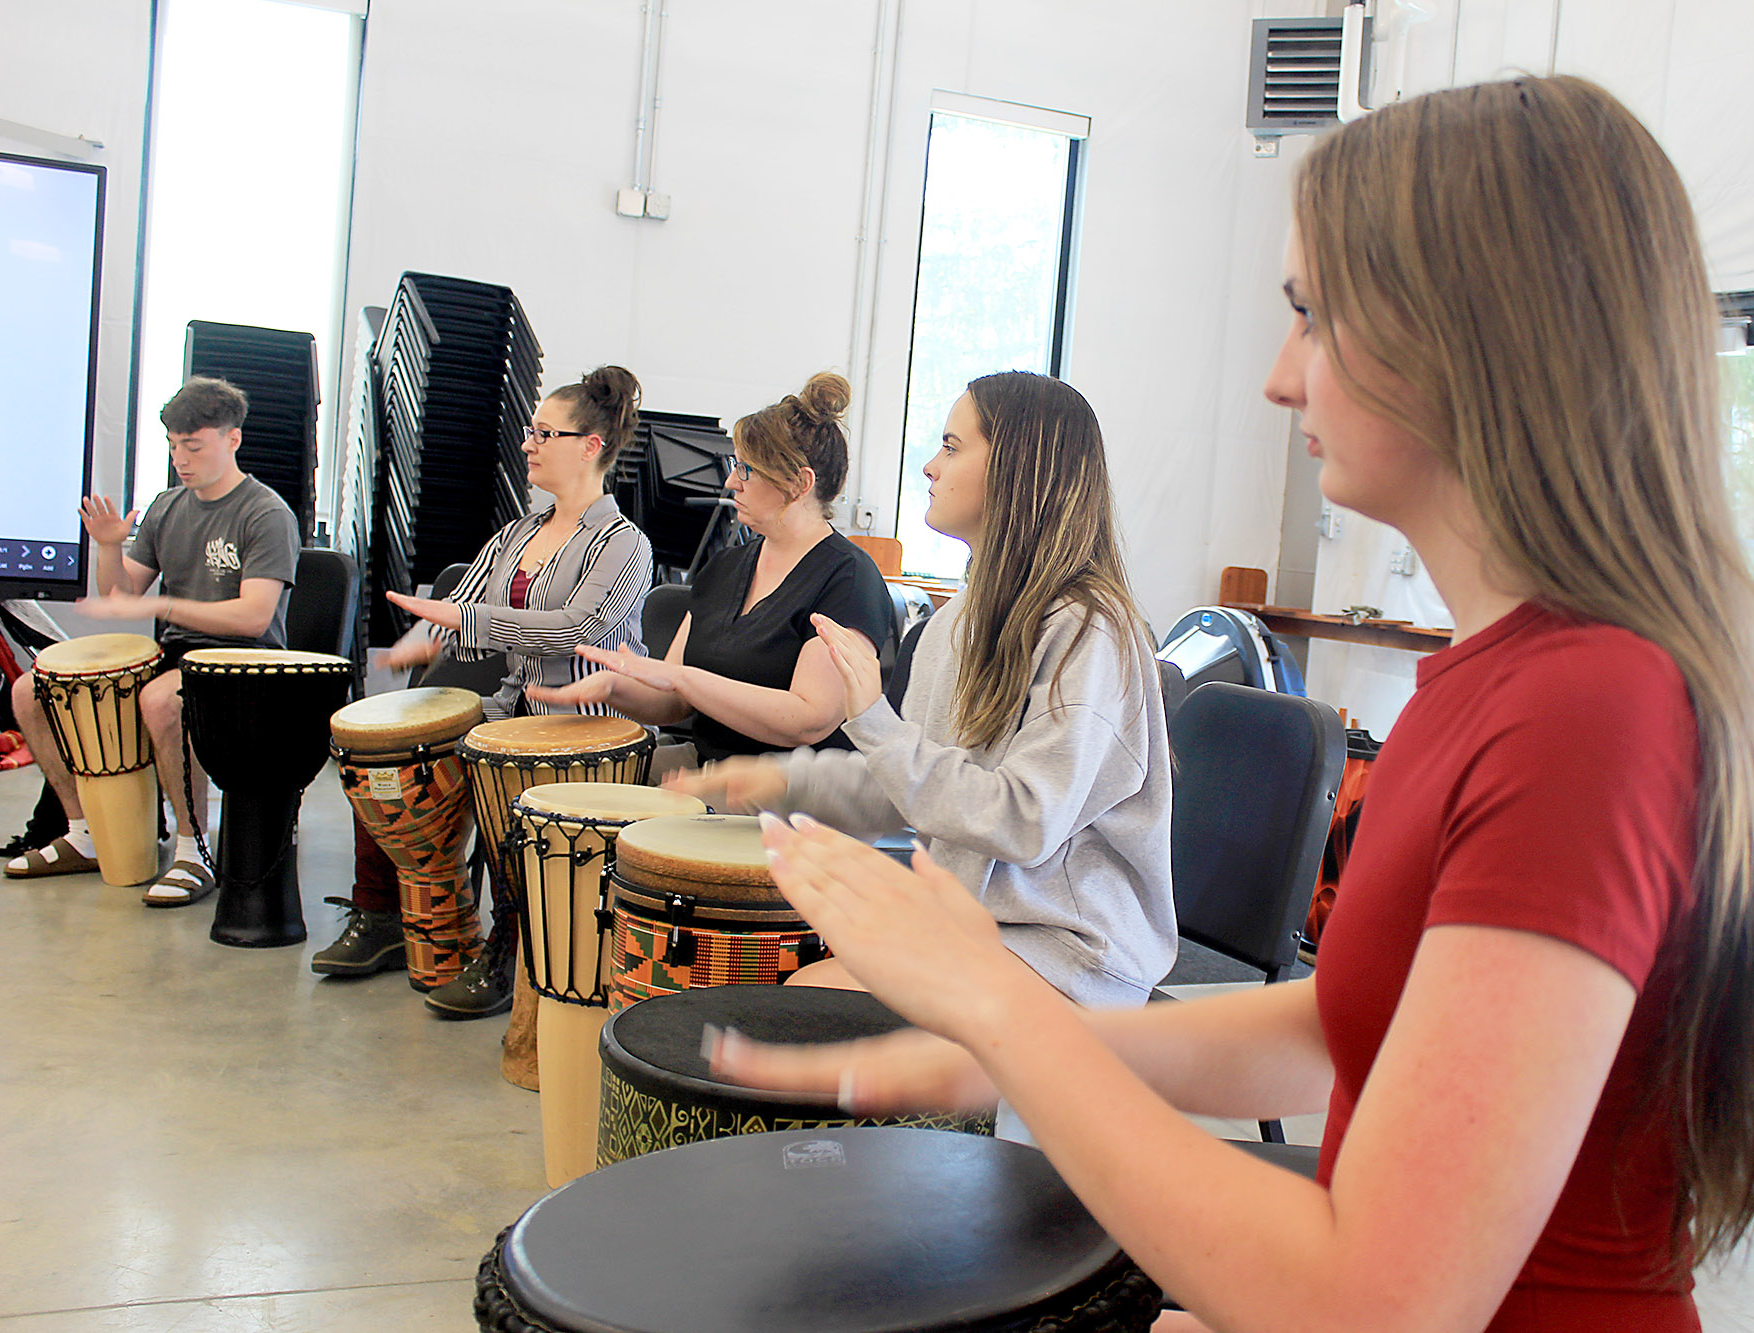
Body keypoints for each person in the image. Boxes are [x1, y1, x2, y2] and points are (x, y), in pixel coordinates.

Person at [705, 76, 1754, 1332]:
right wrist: (999, 1047)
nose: (1280, 379)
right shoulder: (1493, 680)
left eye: (1309, 317)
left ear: (1469, 337)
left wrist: (1004, 1008)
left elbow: (1378, 1296)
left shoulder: (1583, 711)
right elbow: (1342, 1023)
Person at [651, 371, 1177, 1010]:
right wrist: (780, 783)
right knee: (792, 990)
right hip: (972, 925)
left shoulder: (1088, 630)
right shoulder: (958, 622)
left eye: (952, 447)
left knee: (810, 1006)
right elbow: (912, 790)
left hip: (1069, 950)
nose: (929, 466)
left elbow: (1024, 820)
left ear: (1019, 469)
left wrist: (871, 717)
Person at [313, 366, 652, 1020]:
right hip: (514, 706)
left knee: (501, 772)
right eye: (530, 430)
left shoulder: (623, 542)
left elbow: (575, 628)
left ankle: (507, 942)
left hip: (590, 718)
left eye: (544, 433)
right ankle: (382, 911)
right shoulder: (519, 533)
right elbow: (459, 601)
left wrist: (457, 621)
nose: (527, 444)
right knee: (388, 758)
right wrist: (422, 635)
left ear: (591, 445)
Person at [6, 377, 300, 905]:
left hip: (246, 662)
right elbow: (120, 594)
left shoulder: (266, 513)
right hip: (177, 653)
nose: (181, 458)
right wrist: (109, 547)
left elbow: (255, 618)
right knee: (32, 690)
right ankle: (85, 833)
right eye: (172, 445)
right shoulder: (168, 507)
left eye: (194, 444)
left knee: (160, 700)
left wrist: (162, 605)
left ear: (232, 439)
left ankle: (194, 851)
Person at [528, 371, 897, 765]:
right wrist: (611, 688)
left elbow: (808, 719)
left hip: (792, 801)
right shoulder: (727, 566)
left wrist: (684, 678)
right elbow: (673, 702)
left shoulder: (848, 578)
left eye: (746, 469)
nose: (730, 482)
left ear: (798, 484)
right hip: (707, 774)